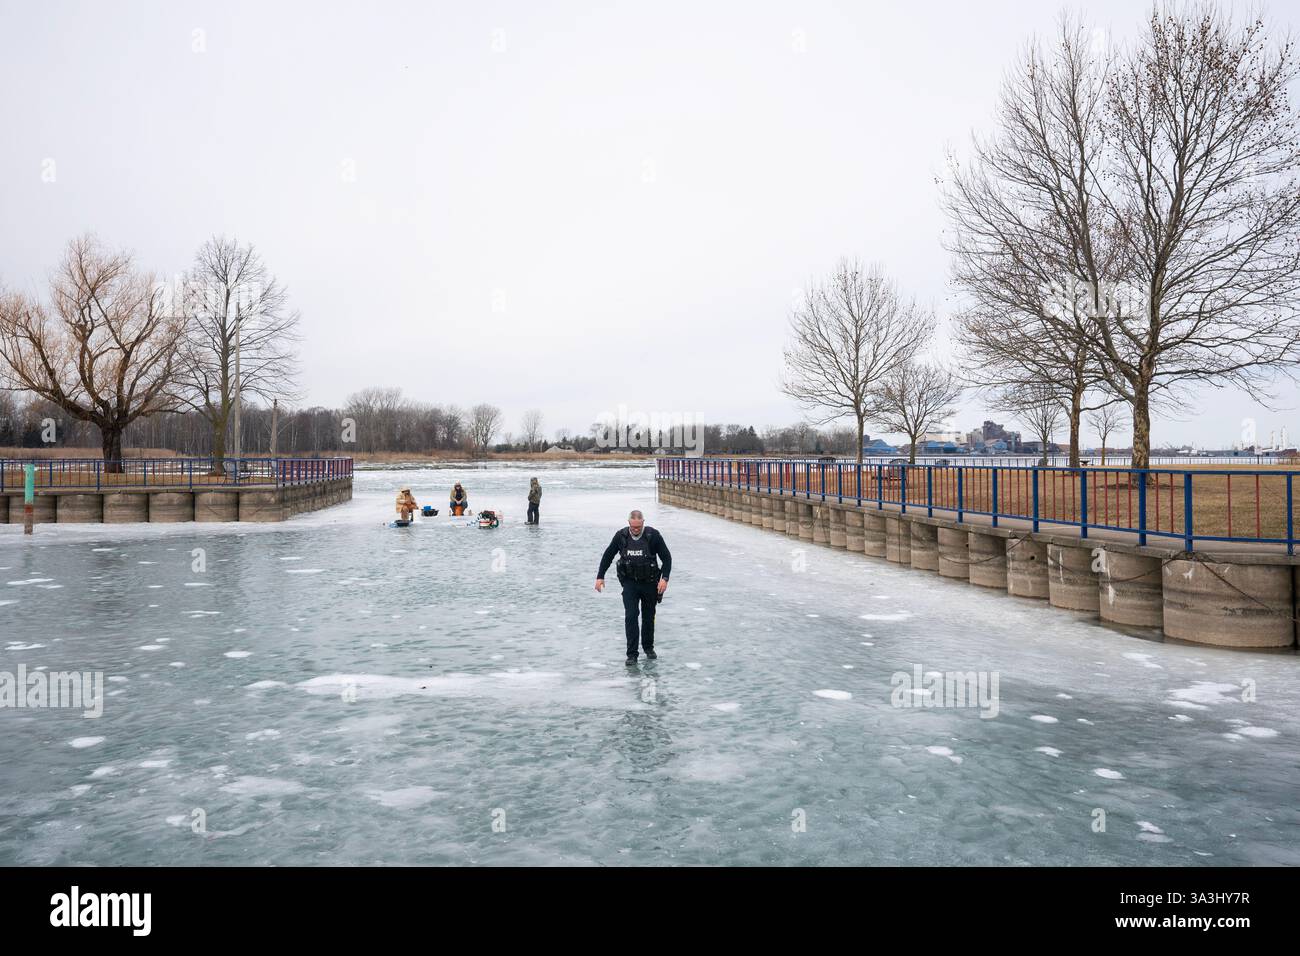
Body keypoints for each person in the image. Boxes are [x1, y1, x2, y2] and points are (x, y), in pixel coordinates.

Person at [595, 510, 671, 664]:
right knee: (631, 616)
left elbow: (667, 558)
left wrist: (665, 578)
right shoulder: (621, 536)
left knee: (648, 617)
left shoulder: (653, 535)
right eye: (633, 527)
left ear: (643, 522)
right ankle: (632, 654)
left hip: (650, 583)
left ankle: (648, 647)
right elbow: (608, 555)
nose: (636, 530)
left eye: (639, 526)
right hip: (630, 583)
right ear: (629, 523)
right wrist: (600, 576)